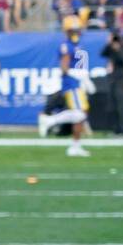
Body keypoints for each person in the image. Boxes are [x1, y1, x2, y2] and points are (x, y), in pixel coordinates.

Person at [39, 28, 93, 156]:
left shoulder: (78, 44)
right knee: (79, 114)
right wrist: (77, 74)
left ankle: (75, 146)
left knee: (81, 115)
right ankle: (50, 120)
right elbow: (64, 67)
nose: (77, 32)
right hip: (72, 84)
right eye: (74, 30)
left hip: (78, 84)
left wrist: (84, 78)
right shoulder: (66, 46)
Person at [100, 30, 123, 137]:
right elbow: (102, 53)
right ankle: (117, 130)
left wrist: (118, 49)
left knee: (122, 105)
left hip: (122, 79)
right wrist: (109, 44)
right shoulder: (111, 47)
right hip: (113, 79)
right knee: (113, 105)